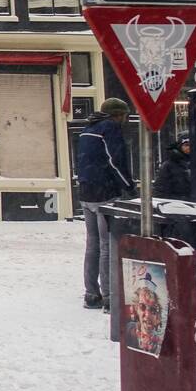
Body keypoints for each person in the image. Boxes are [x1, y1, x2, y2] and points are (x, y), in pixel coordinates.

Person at [76, 98, 133, 310]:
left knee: (92, 244)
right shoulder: (110, 128)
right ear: (118, 115)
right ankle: (110, 297)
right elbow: (115, 160)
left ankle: (91, 293)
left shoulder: (87, 129)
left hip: (86, 190)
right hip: (105, 192)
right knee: (108, 243)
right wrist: (129, 186)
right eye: (125, 116)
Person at [152, 137, 191, 201]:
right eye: (186, 145)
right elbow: (160, 190)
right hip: (178, 205)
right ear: (180, 147)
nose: (189, 148)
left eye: (192, 145)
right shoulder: (168, 165)